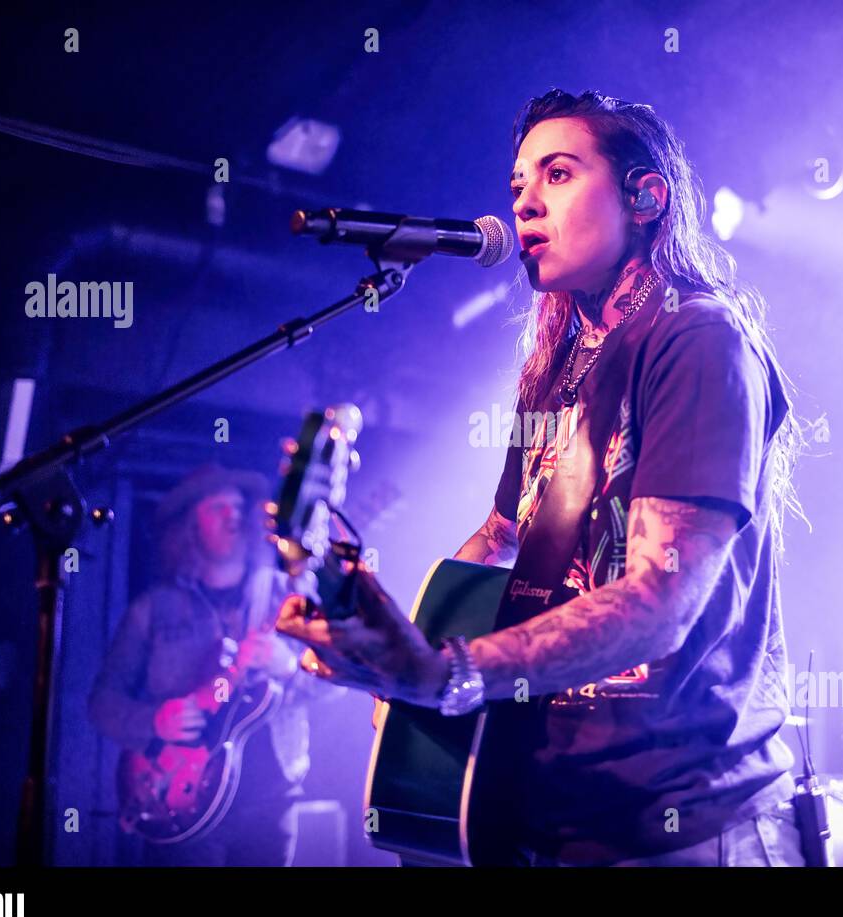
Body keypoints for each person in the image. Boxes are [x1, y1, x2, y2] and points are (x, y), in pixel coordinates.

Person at [275, 89, 807, 867]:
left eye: (557, 174)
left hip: (684, 820)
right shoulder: (550, 374)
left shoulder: (698, 339)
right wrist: (387, 643)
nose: (524, 201)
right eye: (517, 184)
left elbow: (664, 601)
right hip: (548, 814)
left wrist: (453, 672)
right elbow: (501, 543)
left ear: (645, 196)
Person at [90, 463, 333, 866]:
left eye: (238, 507)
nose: (232, 515)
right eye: (217, 507)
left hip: (270, 797)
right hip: (177, 795)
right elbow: (102, 702)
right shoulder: (154, 608)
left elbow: (337, 682)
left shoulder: (285, 594)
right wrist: (154, 722)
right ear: (190, 525)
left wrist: (289, 668)